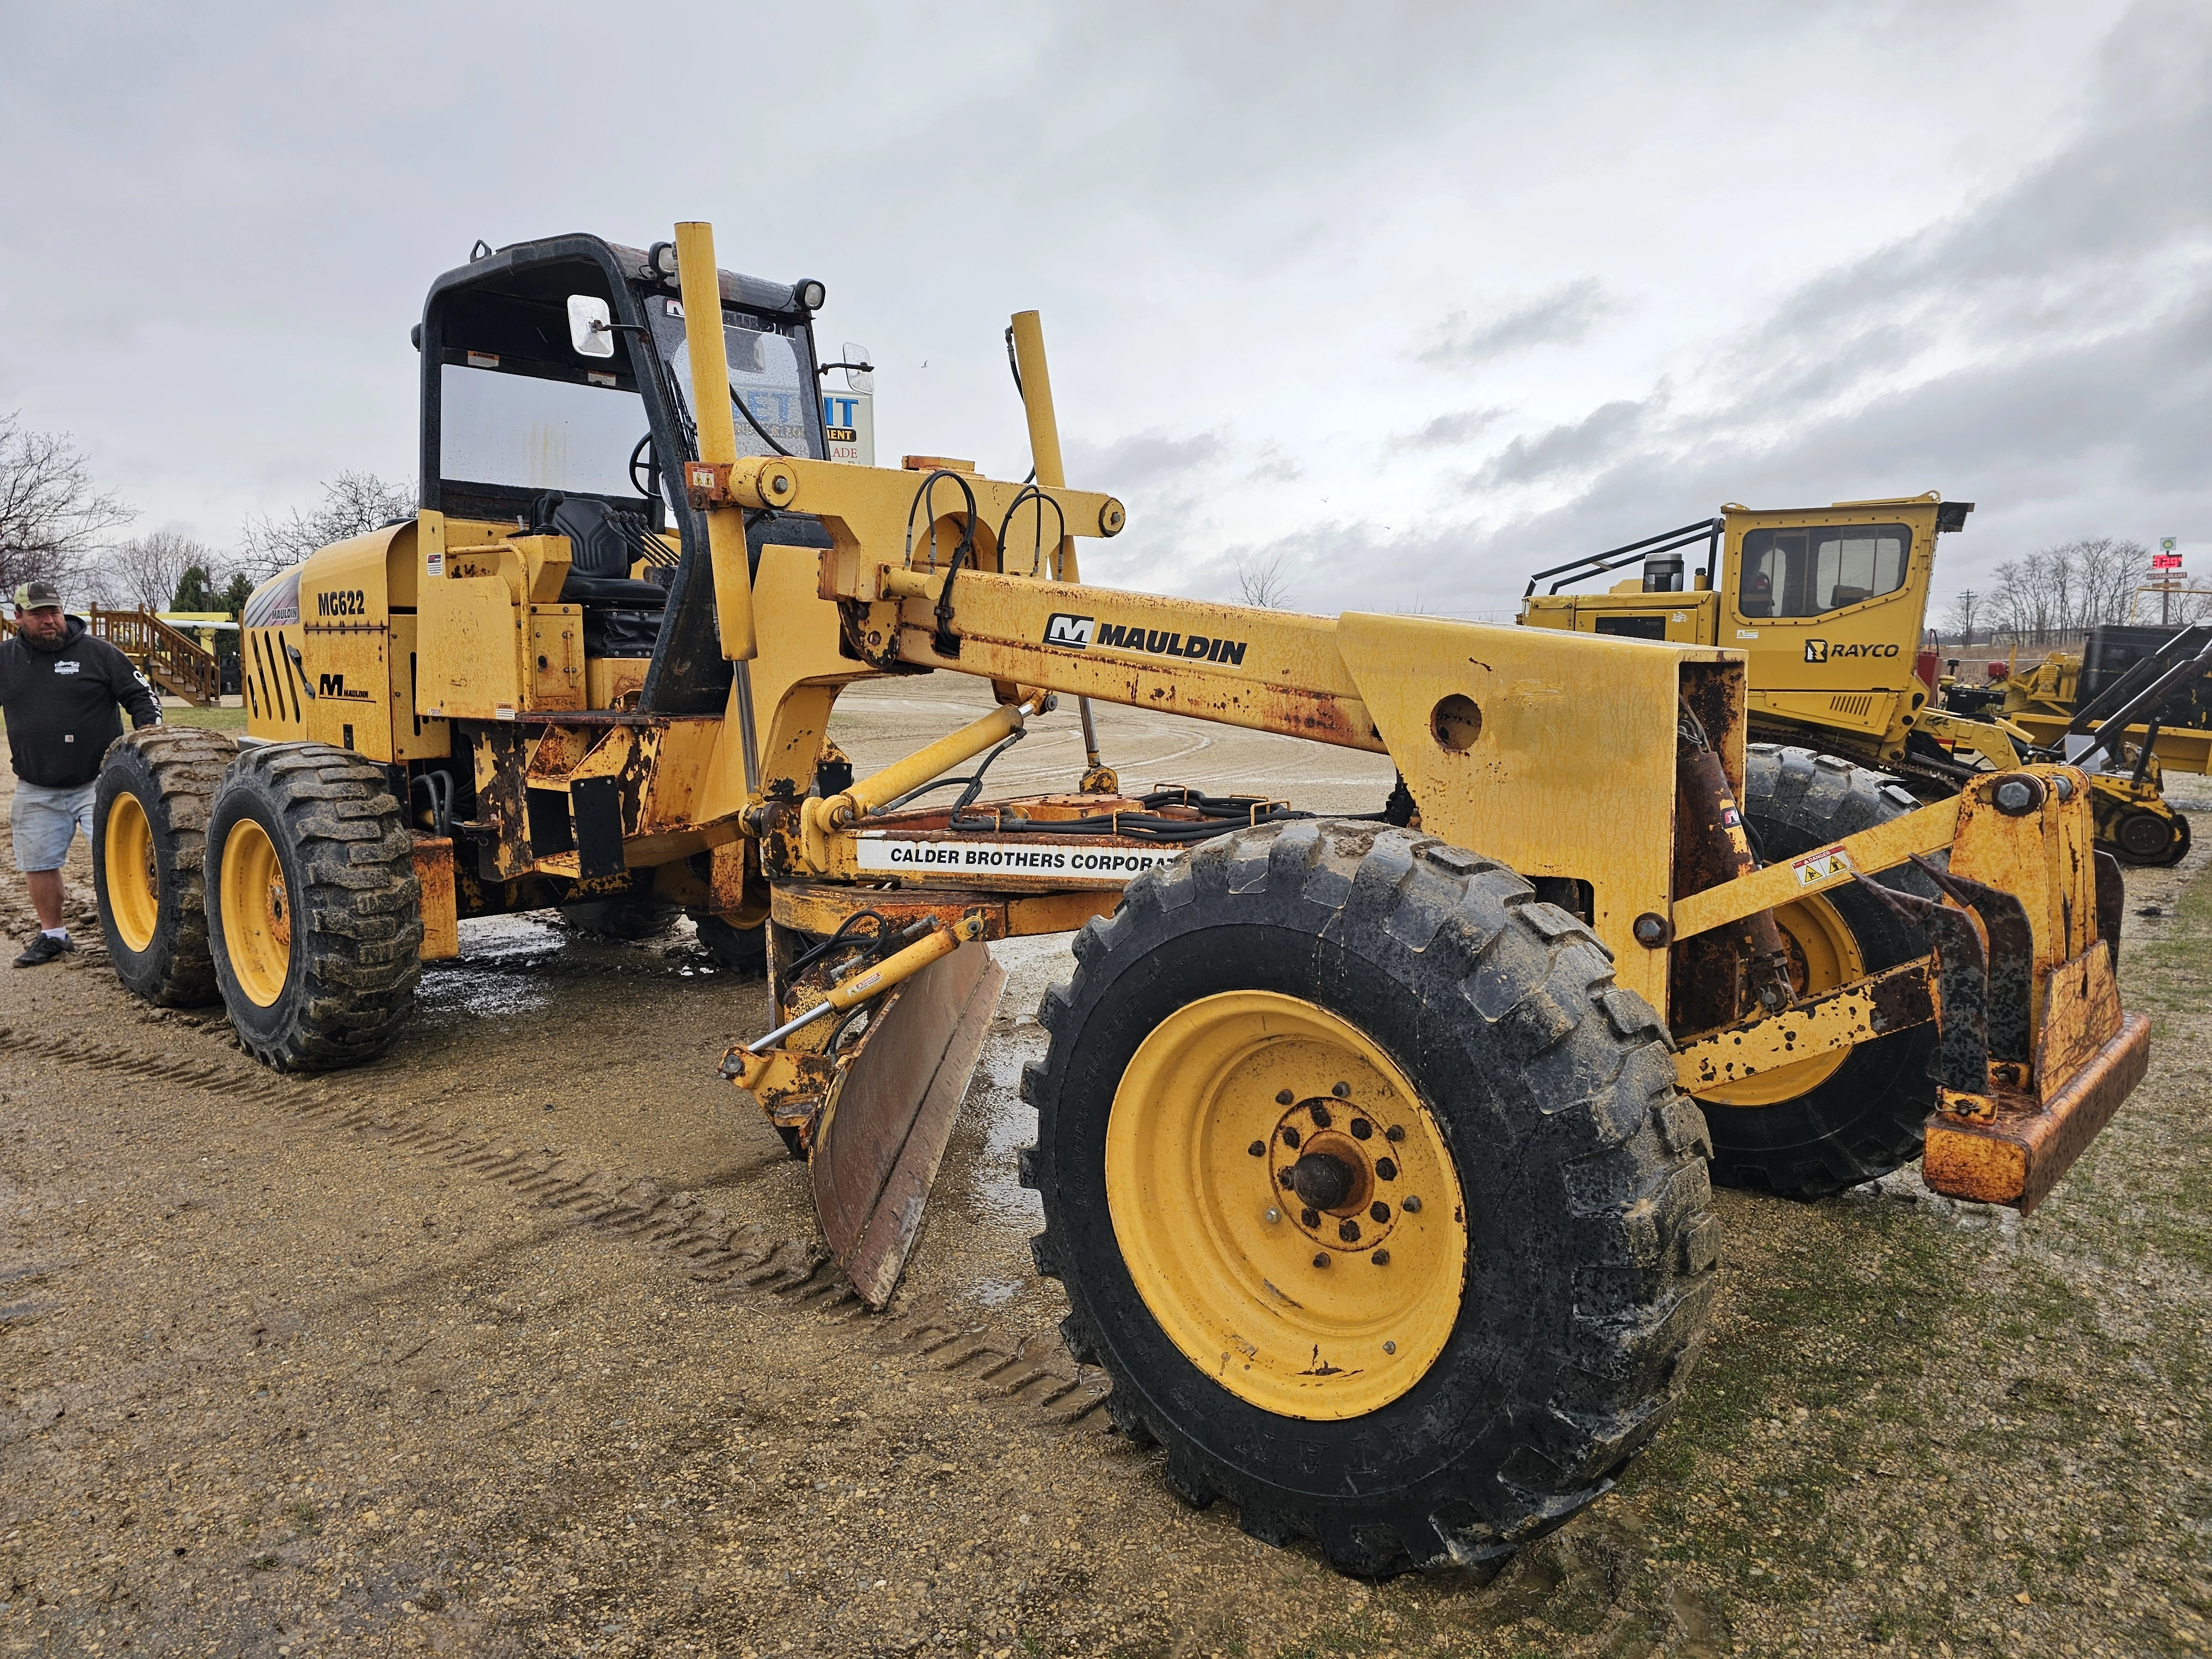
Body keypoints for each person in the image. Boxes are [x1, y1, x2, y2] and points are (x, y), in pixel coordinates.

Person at [1, 580, 162, 965]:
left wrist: (150, 744)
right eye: (38, 614)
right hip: (36, 785)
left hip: (101, 782)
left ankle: (139, 930)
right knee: (38, 862)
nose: (49, 620)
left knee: (124, 857)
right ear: (18, 617)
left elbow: (143, 697)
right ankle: (53, 934)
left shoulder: (99, 654)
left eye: (53, 612)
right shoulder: (5, 660)